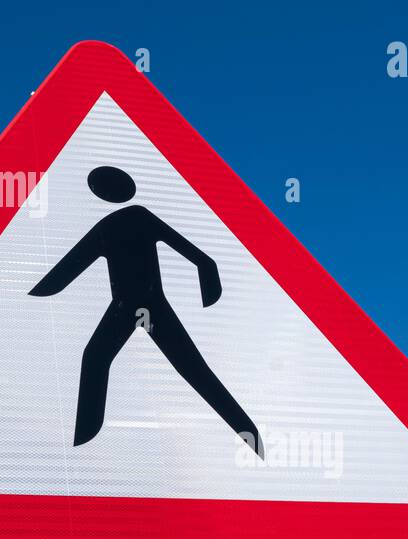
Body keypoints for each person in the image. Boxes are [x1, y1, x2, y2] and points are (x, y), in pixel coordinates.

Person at [29, 166, 263, 455]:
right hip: (123, 308)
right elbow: (68, 269)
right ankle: (82, 446)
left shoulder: (136, 216)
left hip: (153, 305)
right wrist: (32, 293)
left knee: (193, 369)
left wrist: (208, 278)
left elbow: (191, 251)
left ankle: (250, 436)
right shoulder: (111, 225)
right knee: (95, 357)